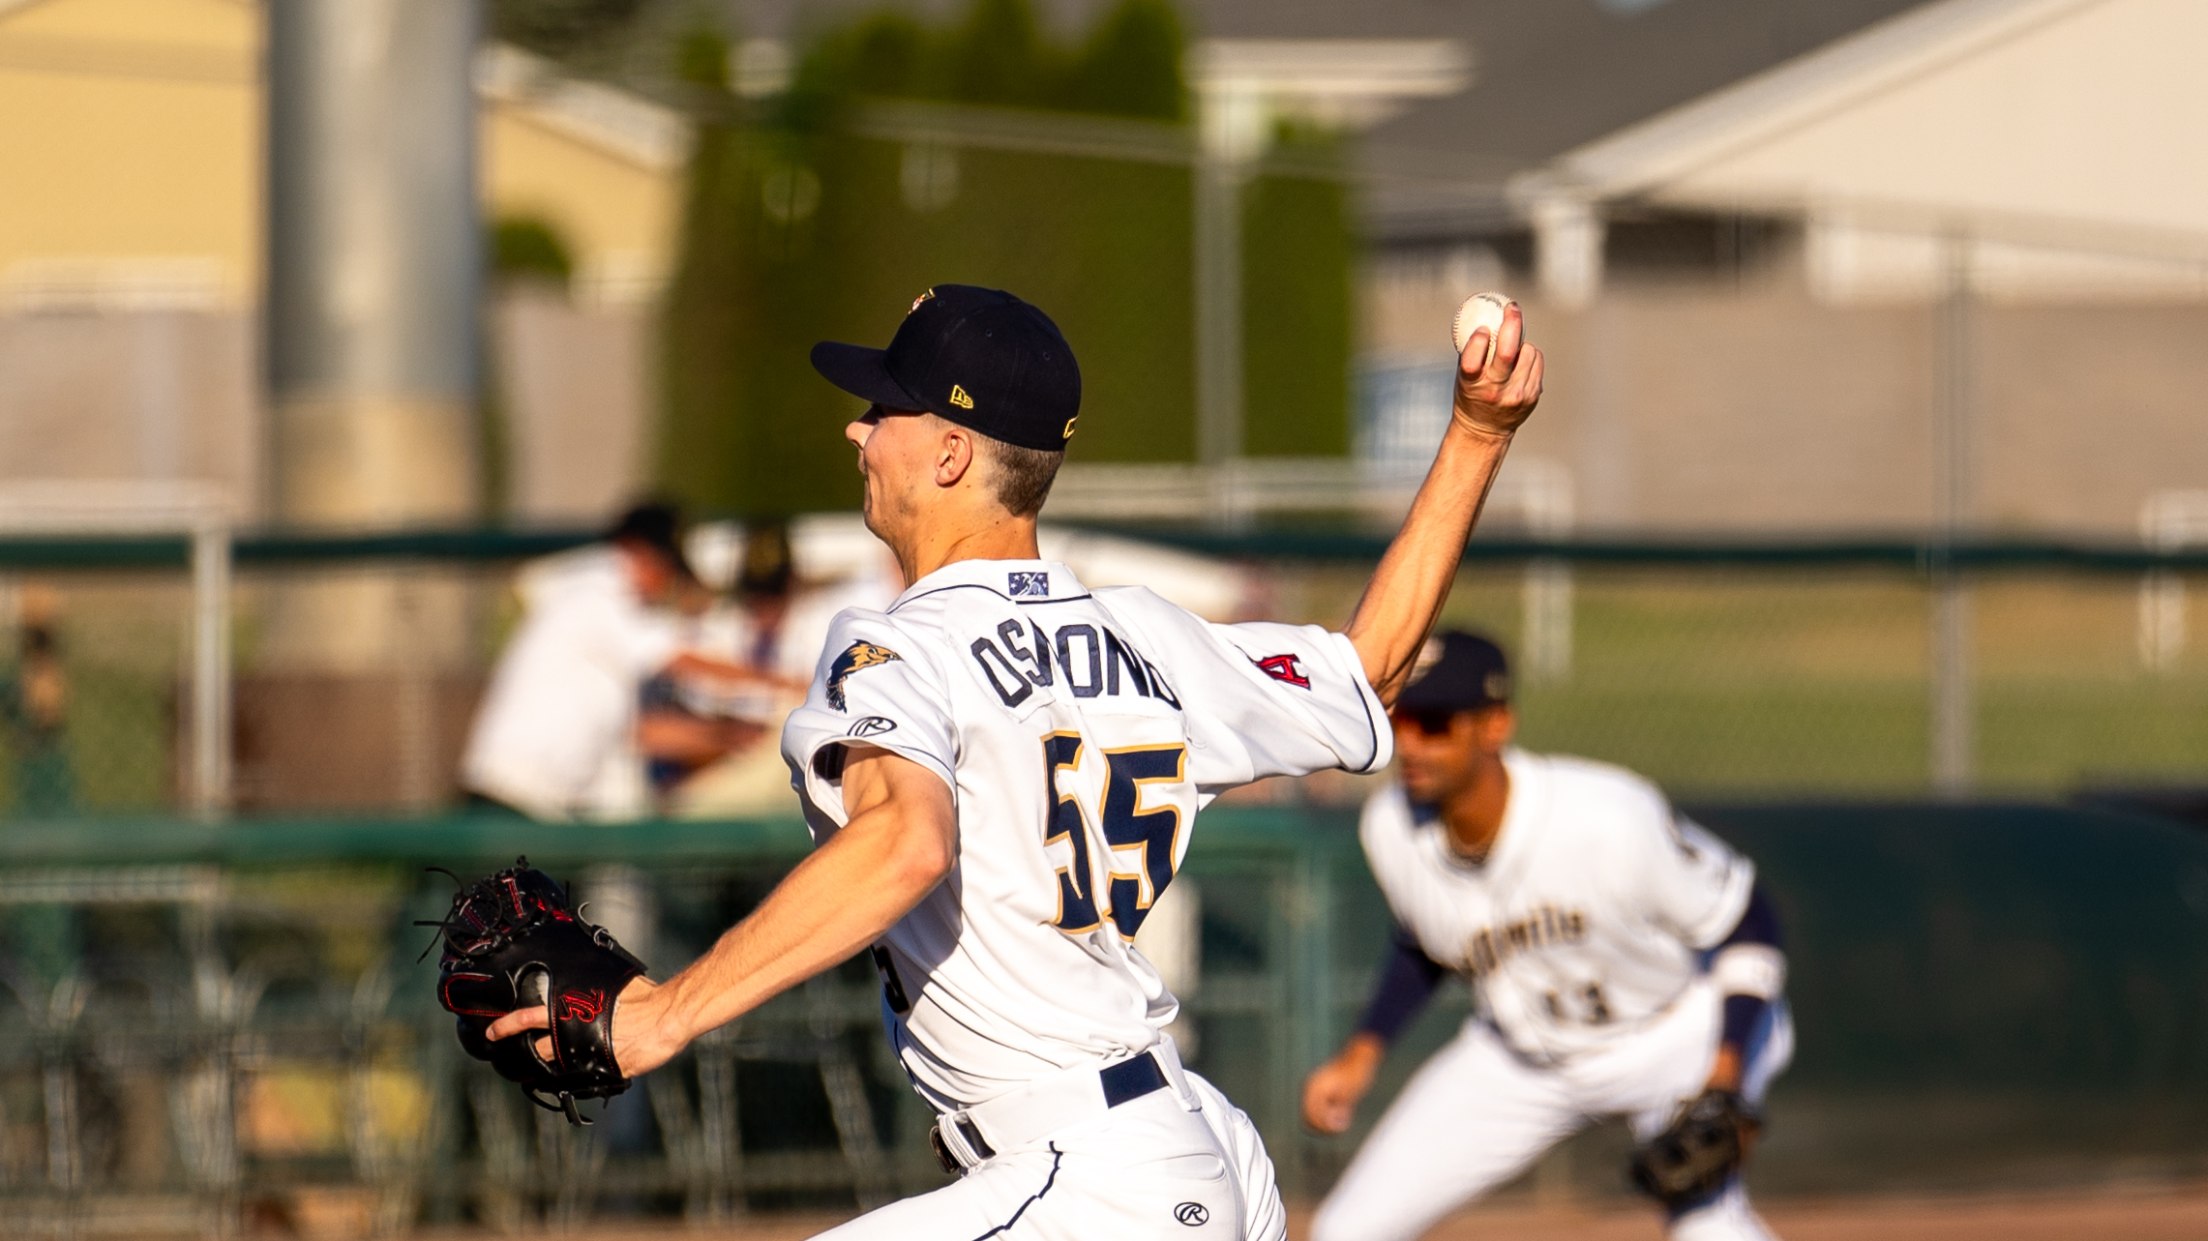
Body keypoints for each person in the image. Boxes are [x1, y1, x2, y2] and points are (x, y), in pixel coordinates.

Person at [489, 283, 1543, 1238]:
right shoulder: (1148, 634)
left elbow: (904, 843)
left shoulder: (896, 645)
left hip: (1089, 1181)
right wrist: (1476, 433)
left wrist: (664, 1013)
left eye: (886, 407)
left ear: (950, 453)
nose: (859, 427)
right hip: (1174, 1142)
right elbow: (1375, 665)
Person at [1301, 631, 1794, 1241]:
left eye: (1436, 724)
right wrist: (1362, 1054)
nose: (1410, 744)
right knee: (1347, 1230)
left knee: (1706, 1228)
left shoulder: (1607, 817)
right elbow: (1426, 942)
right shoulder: (1390, 828)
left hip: (1671, 1038)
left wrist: (1723, 1076)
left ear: (1495, 725)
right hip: (1521, 1059)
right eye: (1398, 719)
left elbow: (1746, 919)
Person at [459, 501, 766, 820]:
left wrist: (725, 734)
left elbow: (640, 733)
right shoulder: (597, 593)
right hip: (508, 800)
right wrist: (786, 683)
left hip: (538, 809)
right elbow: (679, 659)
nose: (664, 584)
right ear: (636, 550)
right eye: (664, 569)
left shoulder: (614, 635)